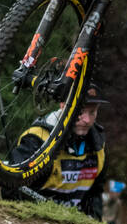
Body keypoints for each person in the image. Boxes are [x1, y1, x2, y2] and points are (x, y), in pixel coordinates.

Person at [8, 84, 109, 215]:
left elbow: (94, 194)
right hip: (35, 219)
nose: (87, 120)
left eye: (92, 112)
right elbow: (12, 188)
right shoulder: (37, 139)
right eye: (81, 112)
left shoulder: (99, 145)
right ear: (63, 106)